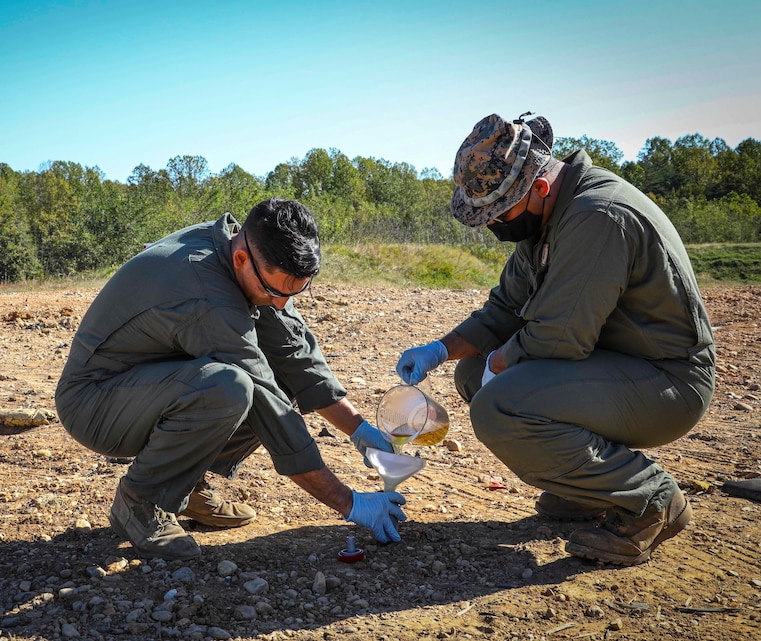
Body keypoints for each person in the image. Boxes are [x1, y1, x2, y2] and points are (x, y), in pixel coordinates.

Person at [396, 113, 715, 566]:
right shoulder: (551, 215)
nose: (495, 228)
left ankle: (651, 500)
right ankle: (588, 491)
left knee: (501, 404)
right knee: (472, 371)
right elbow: (503, 310)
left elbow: (558, 339)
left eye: (497, 216)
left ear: (539, 189)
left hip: (668, 381)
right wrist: (441, 350)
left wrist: (500, 365)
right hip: (617, 364)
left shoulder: (596, 218)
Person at [56, 197, 404, 560]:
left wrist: (362, 433)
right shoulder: (205, 292)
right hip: (95, 403)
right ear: (242, 259)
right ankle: (143, 500)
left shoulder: (246, 251)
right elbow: (269, 404)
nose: (282, 303)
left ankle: (185, 484)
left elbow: (295, 356)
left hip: (150, 384)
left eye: (294, 291)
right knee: (230, 387)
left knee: (276, 380)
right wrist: (350, 504)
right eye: (275, 291)